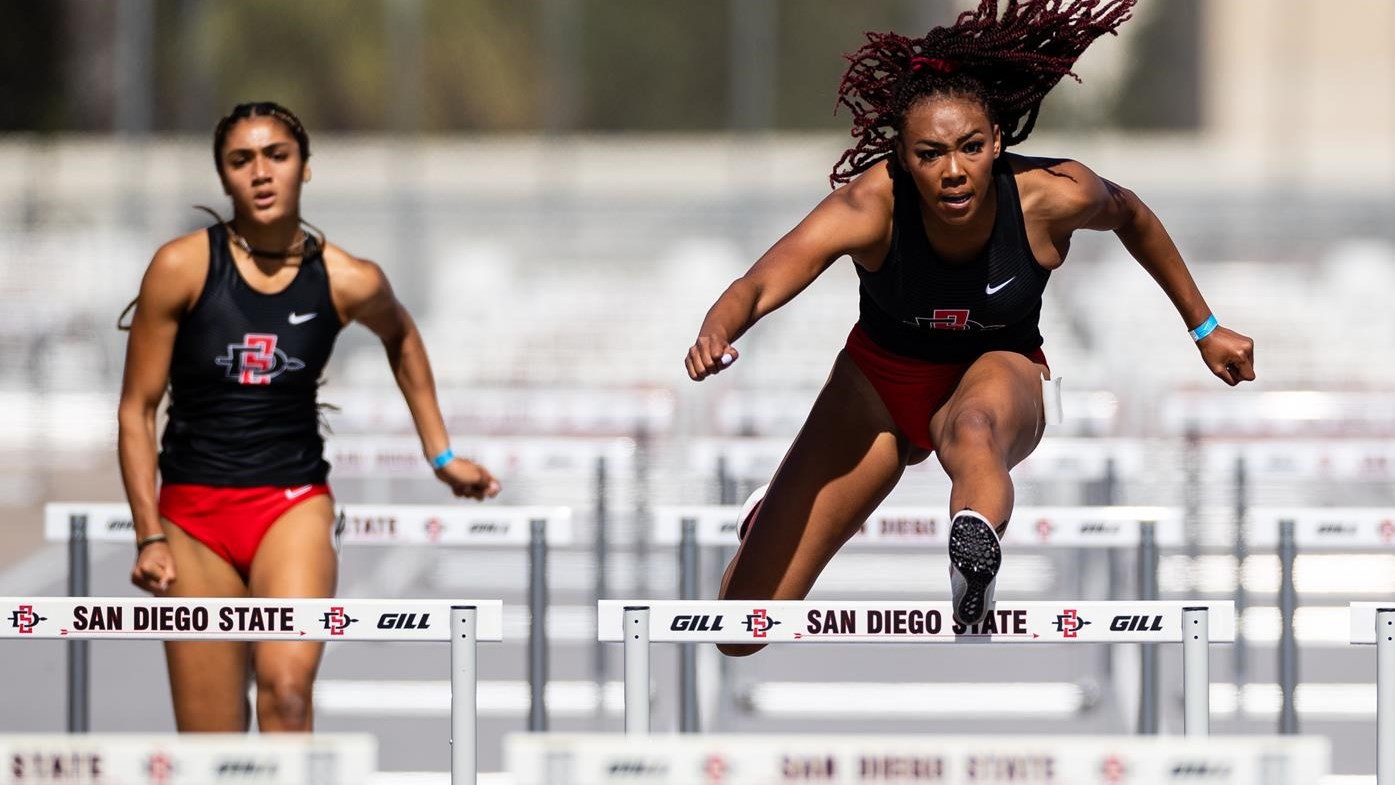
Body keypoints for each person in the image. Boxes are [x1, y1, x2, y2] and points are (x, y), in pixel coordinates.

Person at [684, 0, 1255, 654]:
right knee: (741, 631)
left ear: (996, 141)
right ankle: (767, 520)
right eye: (929, 154)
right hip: (877, 383)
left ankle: (972, 556)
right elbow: (760, 281)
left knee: (973, 427)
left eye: (970, 148)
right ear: (900, 156)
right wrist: (717, 327)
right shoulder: (869, 206)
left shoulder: (1050, 195)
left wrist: (1204, 325)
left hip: (1001, 366)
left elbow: (1131, 215)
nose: (953, 170)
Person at [117, 101, 500, 730]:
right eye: (241, 161)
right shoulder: (181, 267)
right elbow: (136, 410)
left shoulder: (349, 278)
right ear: (223, 178)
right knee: (210, 743)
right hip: (192, 518)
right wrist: (150, 533)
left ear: (306, 168)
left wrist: (442, 456)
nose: (261, 173)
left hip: (290, 505)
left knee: (287, 696)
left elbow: (401, 336)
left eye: (277, 156)